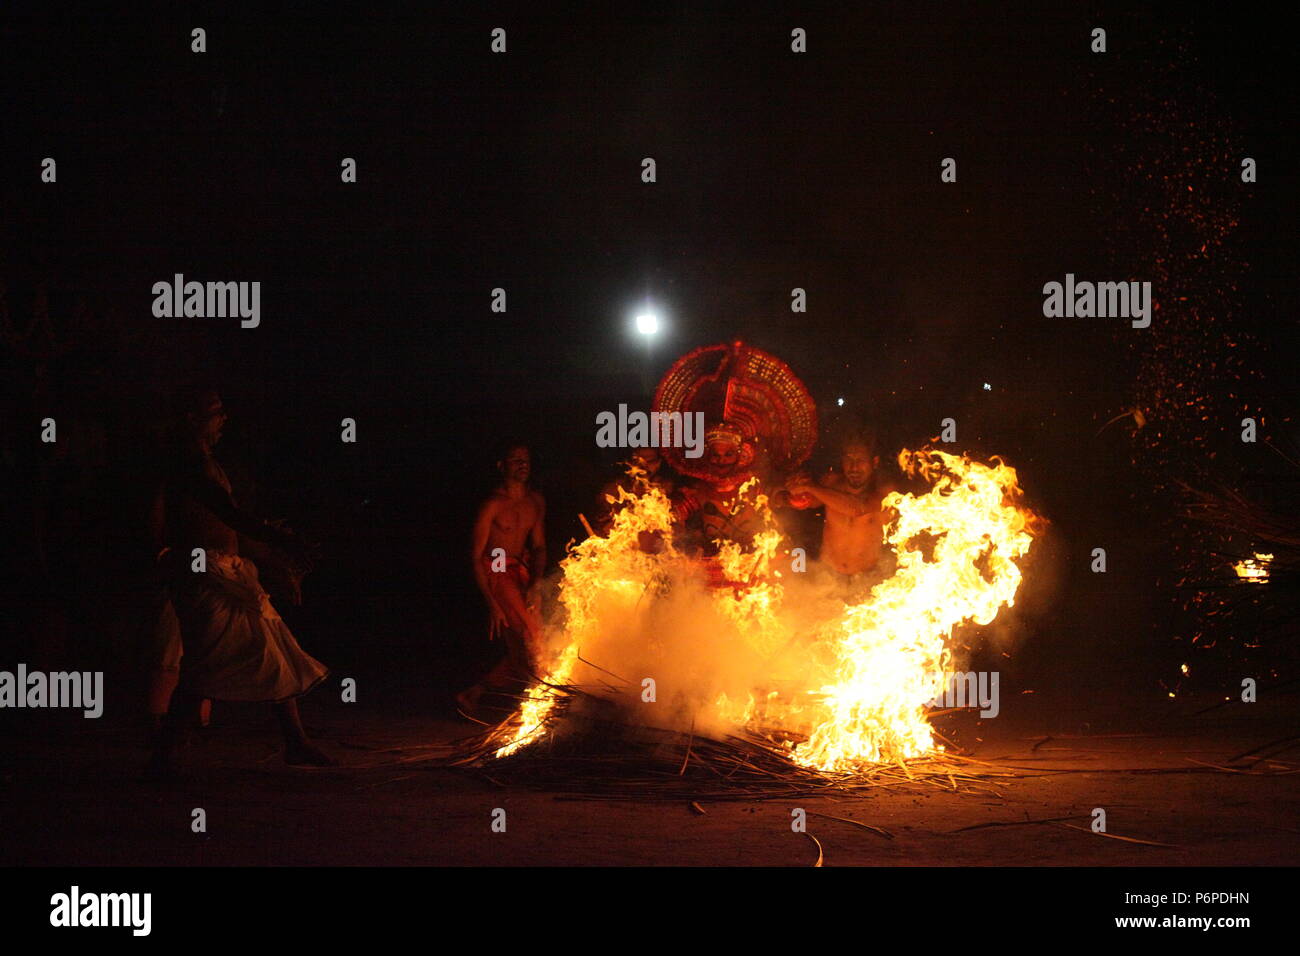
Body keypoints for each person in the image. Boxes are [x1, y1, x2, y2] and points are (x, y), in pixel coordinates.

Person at [146, 389, 332, 776]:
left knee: (273, 649)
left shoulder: (207, 461)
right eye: (214, 412)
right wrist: (279, 538)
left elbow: (228, 521)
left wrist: (270, 552)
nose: (223, 419)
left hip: (227, 572)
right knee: (205, 664)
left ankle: (296, 743)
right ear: (191, 419)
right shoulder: (187, 463)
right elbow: (225, 511)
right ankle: (162, 758)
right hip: (203, 573)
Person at [455, 443, 546, 717]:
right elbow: (475, 555)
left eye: (526, 459)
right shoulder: (493, 505)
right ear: (501, 466)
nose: (523, 464)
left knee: (535, 642)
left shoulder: (536, 501)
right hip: (496, 568)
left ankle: (474, 694)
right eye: (515, 459)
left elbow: (539, 546)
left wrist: (537, 584)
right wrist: (492, 602)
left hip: (522, 571)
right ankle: (533, 704)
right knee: (530, 638)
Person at [787, 432, 897, 583]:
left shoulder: (884, 491)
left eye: (861, 460)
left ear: (874, 462)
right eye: (849, 459)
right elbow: (808, 502)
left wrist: (811, 487)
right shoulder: (831, 483)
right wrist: (796, 489)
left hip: (865, 579)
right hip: (827, 574)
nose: (854, 467)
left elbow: (858, 508)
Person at [593, 445, 677, 534]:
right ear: (631, 463)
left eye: (650, 461)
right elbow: (600, 526)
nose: (644, 465)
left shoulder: (668, 491)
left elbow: (676, 527)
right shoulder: (613, 491)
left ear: (658, 463)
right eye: (638, 460)